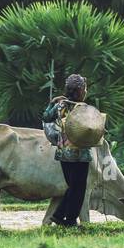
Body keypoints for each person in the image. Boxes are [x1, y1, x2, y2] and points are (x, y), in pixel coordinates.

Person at [42, 73, 91, 227]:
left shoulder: (60, 106)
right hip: (80, 153)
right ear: (78, 91)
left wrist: (52, 103)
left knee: (73, 187)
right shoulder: (83, 108)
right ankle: (69, 220)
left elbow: (46, 117)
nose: (85, 92)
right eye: (84, 89)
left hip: (63, 153)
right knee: (79, 188)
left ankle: (60, 216)